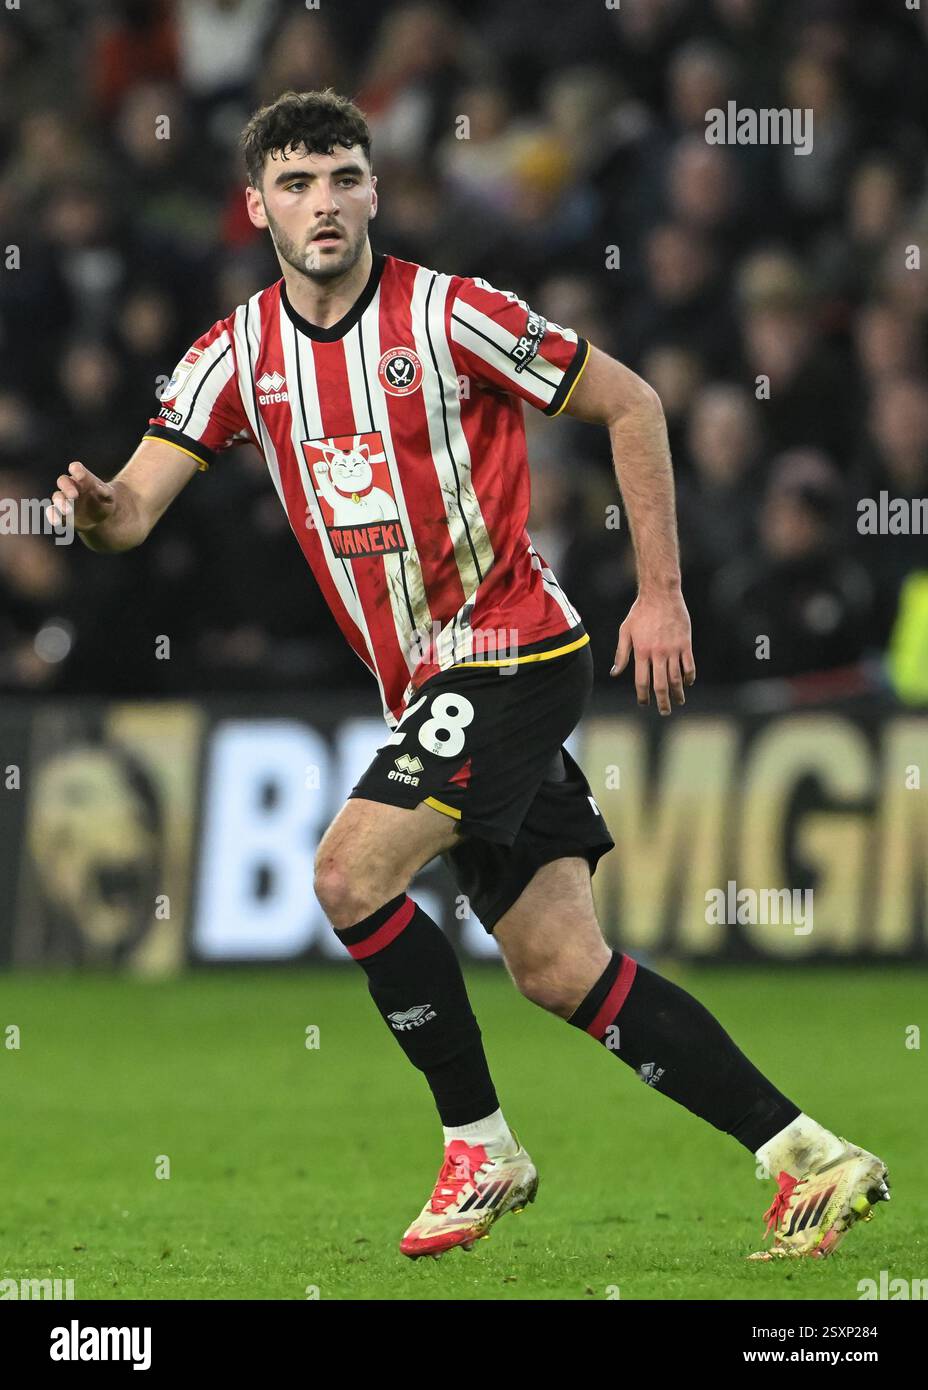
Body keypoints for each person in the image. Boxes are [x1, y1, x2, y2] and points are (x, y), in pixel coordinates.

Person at [47, 88, 888, 1262]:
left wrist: (660, 592)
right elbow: (132, 508)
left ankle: (480, 1145)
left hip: (512, 649)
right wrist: (92, 517)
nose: (323, 202)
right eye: (296, 184)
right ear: (256, 208)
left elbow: (631, 400)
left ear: (375, 189)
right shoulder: (233, 354)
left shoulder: (450, 316)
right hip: (430, 688)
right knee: (559, 966)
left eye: (343, 176)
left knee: (346, 874)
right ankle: (811, 1155)